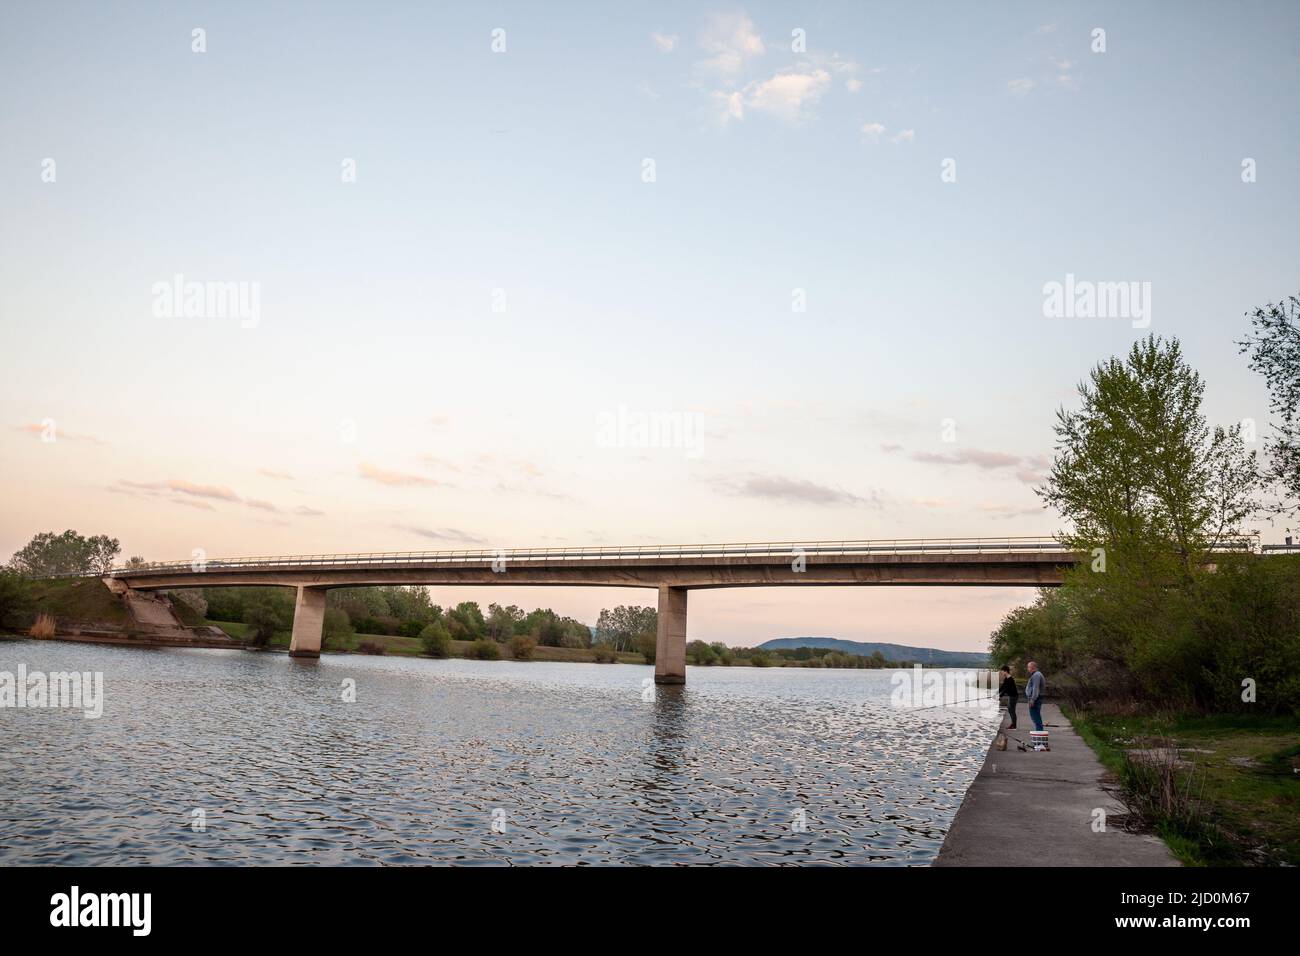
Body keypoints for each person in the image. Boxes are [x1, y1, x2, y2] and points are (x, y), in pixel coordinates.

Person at [1025, 661, 1046, 732]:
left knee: (1035, 717)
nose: (1028, 669)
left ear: (1032, 667)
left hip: (1035, 699)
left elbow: (1035, 688)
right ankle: (1039, 733)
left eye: (1028, 667)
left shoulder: (1036, 675)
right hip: (1036, 698)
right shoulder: (1036, 674)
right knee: (1036, 716)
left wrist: (1032, 699)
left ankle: (1039, 734)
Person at [998, 665, 1018, 730]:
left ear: (1006, 671)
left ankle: (1014, 726)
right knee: (1010, 709)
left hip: (1013, 696)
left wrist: (1000, 695)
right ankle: (1013, 724)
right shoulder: (1006, 678)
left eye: (1002, 672)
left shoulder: (1010, 679)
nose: (1002, 673)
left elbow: (1006, 689)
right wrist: (996, 692)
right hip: (1011, 696)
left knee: (1011, 710)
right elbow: (1003, 686)